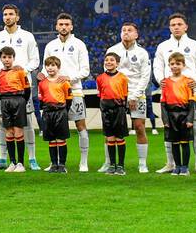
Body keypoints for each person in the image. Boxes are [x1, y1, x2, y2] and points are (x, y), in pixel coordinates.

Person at [0, 5, 41, 171]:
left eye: (11, 14)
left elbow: (35, 60)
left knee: (28, 122)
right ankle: (3, 158)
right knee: (3, 122)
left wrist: (22, 71)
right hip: (3, 87)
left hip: (21, 86)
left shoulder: (27, 36)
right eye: (5, 14)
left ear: (17, 17)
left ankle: (31, 158)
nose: (7, 17)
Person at [153, 13, 196, 174]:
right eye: (173, 25)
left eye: (179, 24)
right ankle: (170, 163)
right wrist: (160, 79)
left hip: (191, 91)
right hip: (169, 90)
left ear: (186, 26)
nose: (176, 27)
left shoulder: (195, 45)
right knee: (169, 128)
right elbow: (157, 66)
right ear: (169, 28)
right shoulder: (163, 46)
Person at [44, 13, 91, 171]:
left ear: (71, 26)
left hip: (75, 91)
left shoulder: (79, 44)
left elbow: (85, 70)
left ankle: (83, 161)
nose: (63, 27)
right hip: (54, 94)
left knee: (80, 125)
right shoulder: (50, 46)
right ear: (56, 26)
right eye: (61, 24)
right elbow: (45, 68)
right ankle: (55, 162)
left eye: (66, 24)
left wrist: (68, 79)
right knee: (54, 129)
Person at [105, 22, 153, 173]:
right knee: (111, 130)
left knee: (139, 127)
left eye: (129, 30)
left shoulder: (142, 53)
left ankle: (142, 163)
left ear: (136, 35)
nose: (126, 32)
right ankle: (109, 163)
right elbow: (107, 72)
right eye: (123, 30)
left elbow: (145, 77)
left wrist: (134, 95)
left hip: (136, 95)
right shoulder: (112, 50)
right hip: (116, 95)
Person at [160, 53, 196, 176]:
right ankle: (177, 166)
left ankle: (185, 167)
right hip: (171, 115)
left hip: (184, 114)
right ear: (169, 66)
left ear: (183, 65)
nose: (175, 66)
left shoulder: (188, 82)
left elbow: (192, 102)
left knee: (185, 142)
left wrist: (190, 119)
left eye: (178, 64)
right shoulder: (165, 82)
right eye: (172, 64)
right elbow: (163, 103)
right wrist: (165, 120)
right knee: (174, 142)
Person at [0, 45, 31, 173]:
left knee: (18, 132)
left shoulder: (20, 71)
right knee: (9, 132)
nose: (7, 60)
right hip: (5, 101)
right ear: (1, 59)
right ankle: (12, 162)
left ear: (13, 58)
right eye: (4, 57)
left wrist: (21, 101)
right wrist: (5, 99)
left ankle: (21, 163)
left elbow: (27, 89)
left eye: (9, 57)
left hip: (18, 100)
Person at [37, 56, 73, 173]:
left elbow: (69, 99)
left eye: (53, 65)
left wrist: (63, 111)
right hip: (48, 113)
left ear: (58, 67)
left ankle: (62, 164)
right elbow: (41, 99)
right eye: (48, 65)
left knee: (61, 139)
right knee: (51, 140)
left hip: (60, 112)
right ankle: (53, 164)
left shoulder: (64, 82)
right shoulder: (42, 83)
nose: (50, 68)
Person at [95, 52, 129, 176]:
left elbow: (125, 94)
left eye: (112, 60)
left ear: (117, 63)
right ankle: (112, 165)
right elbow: (100, 94)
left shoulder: (123, 77)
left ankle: (121, 165)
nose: (109, 62)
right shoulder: (100, 78)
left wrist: (122, 107)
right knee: (109, 138)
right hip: (106, 111)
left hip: (119, 109)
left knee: (119, 137)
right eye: (107, 60)